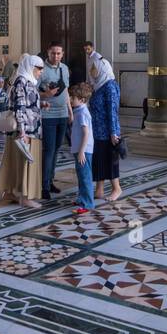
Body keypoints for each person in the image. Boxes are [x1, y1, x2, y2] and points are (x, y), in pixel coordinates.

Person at [0, 54, 44, 208]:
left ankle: (11, 192)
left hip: (27, 128)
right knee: (25, 162)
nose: (41, 71)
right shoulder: (21, 81)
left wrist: (41, 104)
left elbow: (26, 103)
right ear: (31, 67)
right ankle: (24, 196)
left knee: (16, 161)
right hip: (25, 130)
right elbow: (19, 108)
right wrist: (23, 131)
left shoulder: (27, 81)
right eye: (39, 68)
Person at [39, 42, 72, 201]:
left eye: (59, 53)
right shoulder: (41, 68)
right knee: (49, 150)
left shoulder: (64, 68)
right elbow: (34, 92)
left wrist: (70, 111)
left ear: (63, 54)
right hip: (48, 115)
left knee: (57, 149)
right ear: (48, 52)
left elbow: (66, 91)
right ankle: (44, 186)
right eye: (53, 53)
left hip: (63, 114)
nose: (56, 56)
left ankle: (50, 181)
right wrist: (46, 94)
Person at [88, 55, 122, 202]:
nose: (92, 72)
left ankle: (117, 188)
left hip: (108, 131)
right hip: (97, 130)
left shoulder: (109, 86)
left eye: (95, 69)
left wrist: (113, 132)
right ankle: (99, 189)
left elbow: (112, 110)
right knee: (99, 160)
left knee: (110, 160)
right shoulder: (99, 85)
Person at [69, 81, 94, 213]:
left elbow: (86, 133)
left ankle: (87, 204)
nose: (70, 100)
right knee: (81, 174)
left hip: (83, 150)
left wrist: (82, 151)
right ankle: (81, 198)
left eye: (73, 98)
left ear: (82, 100)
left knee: (85, 176)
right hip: (80, 149)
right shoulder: (79, 110)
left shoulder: (83, 113)